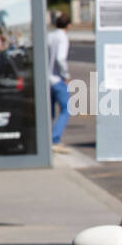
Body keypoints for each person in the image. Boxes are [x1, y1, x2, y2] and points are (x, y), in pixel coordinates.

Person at [47, 12, 71, 147]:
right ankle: (54, 138)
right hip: (57, 79)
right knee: (66, 108)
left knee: (49, 111)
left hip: (47, 78)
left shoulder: (49, 35)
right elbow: (60, 58)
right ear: (68, 26)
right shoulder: (63, 38)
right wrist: (66, 75)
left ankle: (47, 136)